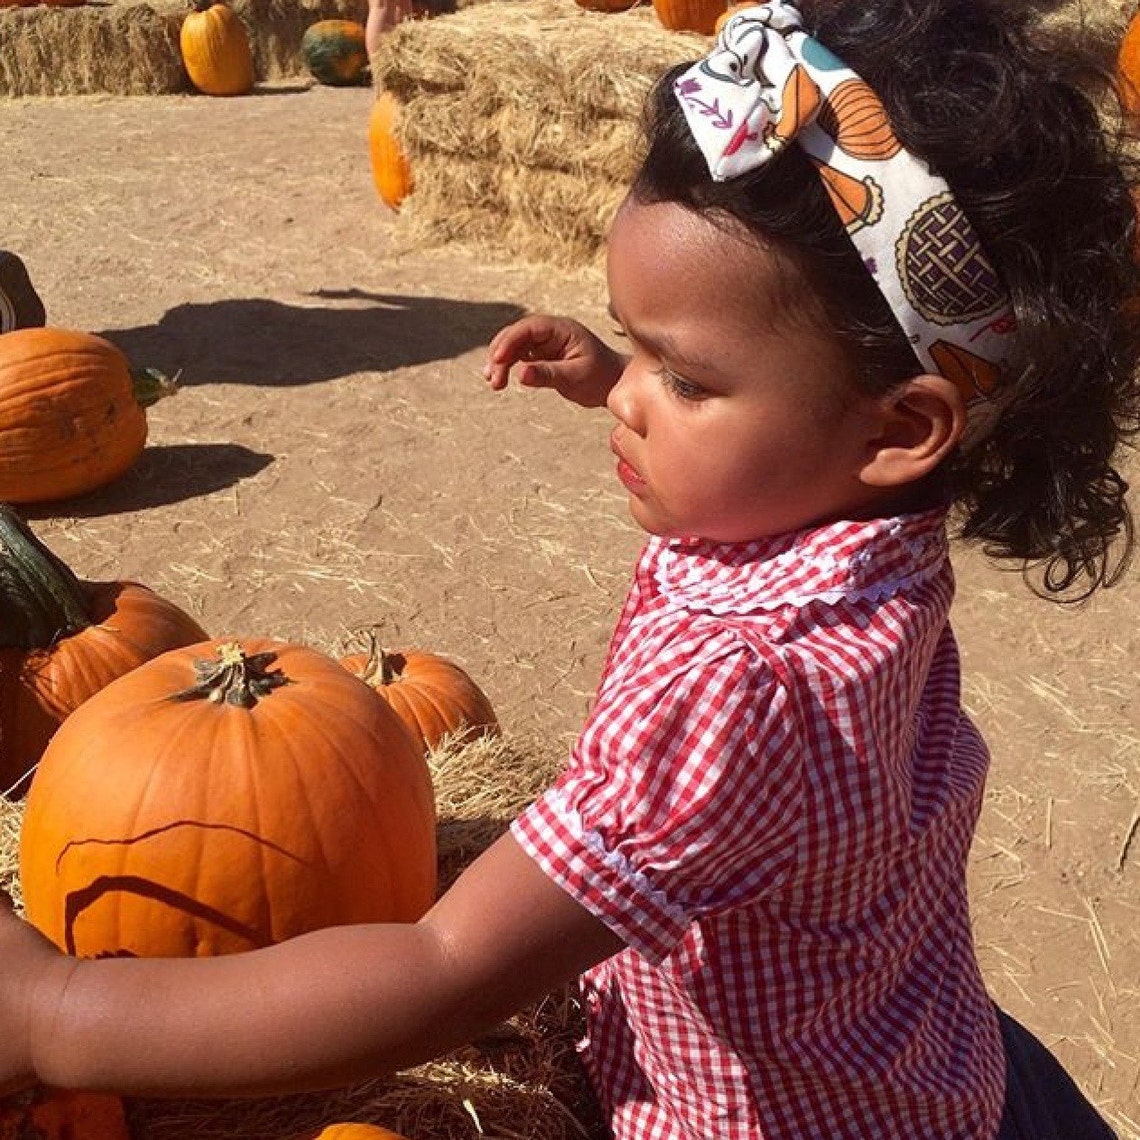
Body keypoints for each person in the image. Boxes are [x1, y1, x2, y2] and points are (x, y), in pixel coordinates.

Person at [1, 0, 1137, 1136]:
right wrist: (620, 377)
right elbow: (780, 423)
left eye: (683, 378)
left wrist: (62, 1014)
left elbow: (445, 970)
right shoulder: (869, 520)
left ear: (900, 428)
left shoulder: (735, 688)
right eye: (632, 342)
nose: (634, 396)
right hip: (916, 1046)